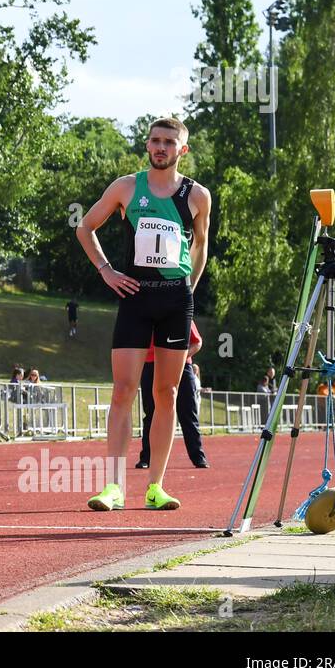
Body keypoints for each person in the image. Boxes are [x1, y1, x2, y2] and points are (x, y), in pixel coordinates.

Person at [76, 116, 211, 512]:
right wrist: (106, 271)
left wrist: (189, 286)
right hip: (135, 297)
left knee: (166, 394)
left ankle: (156, 487)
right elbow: (86, 227)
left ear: (182, 149)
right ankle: (114, 487)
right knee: (123, 390)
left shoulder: (197, 195)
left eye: (169, 142)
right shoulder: (126, 187)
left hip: (175, 301)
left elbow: (201, 245)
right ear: (147, 145)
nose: (160, 147)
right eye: (155, 140)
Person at [137, 320, 207, 469]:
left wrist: (180, 358)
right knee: (151, 413)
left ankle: (198, 457)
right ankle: (146, 458)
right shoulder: (146, 313)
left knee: (188, 412)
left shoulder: (182, 312)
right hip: (151, 364)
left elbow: (197, 342)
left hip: (181, 365)